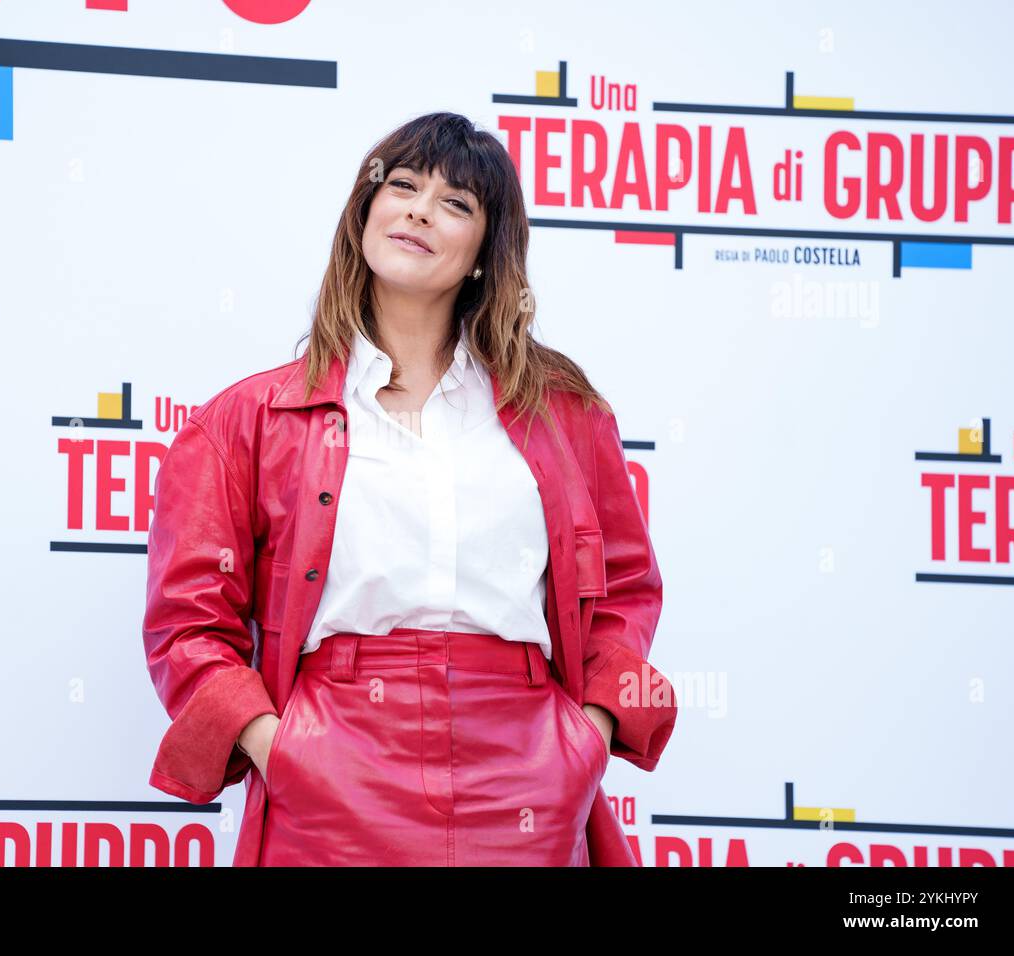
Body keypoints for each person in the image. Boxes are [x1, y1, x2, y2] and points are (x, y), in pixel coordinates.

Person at [142, 111, 675, 866]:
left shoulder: (565, 415)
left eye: (455, 202)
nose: (421, 210)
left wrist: (586, 738)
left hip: (528, 772)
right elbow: (188, 618)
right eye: (402, 185)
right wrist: (276, 746)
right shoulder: (247, 419)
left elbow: (625, 589)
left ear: (485, 253)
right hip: (331, 766)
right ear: (365, 212)